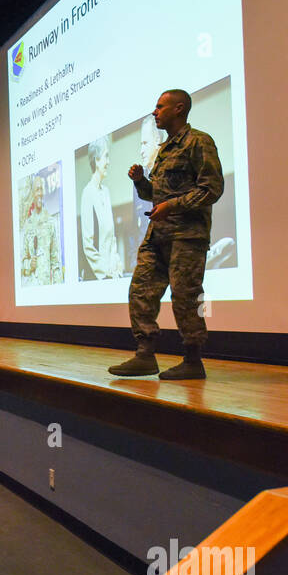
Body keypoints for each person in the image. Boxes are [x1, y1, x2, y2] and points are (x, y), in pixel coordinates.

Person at [109, 89, 224, 380]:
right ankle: (145, 356)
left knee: (186, 297)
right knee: (140, 291)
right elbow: (155, 196)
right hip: (157, 236)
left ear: (179, 109)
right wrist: (140, 182)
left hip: (186, 236)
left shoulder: (199, 141)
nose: (154, 111)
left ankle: (193, 361)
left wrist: (173, 206)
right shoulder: (165, 150)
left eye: (160, 107)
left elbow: (212, 188)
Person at [80, 137, 126, 280]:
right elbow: (88, 245)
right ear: (96, 159)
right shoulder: (87, 193)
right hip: (96, 276)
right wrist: (106, 272)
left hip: (111, 274)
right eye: (106, 156)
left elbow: (111, 238)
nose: (108, 162)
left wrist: (116, 264)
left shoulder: (106, 192)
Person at [19, 175, 63, 286]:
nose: (40, 193)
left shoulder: (50, 222)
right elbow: (22, 265)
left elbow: (55, 262)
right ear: (33, 194)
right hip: (32, 290)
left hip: (46, 289)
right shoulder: (28, 225)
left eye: (41, 189)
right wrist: (29, 265)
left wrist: (59, 288)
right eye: (37, 189)